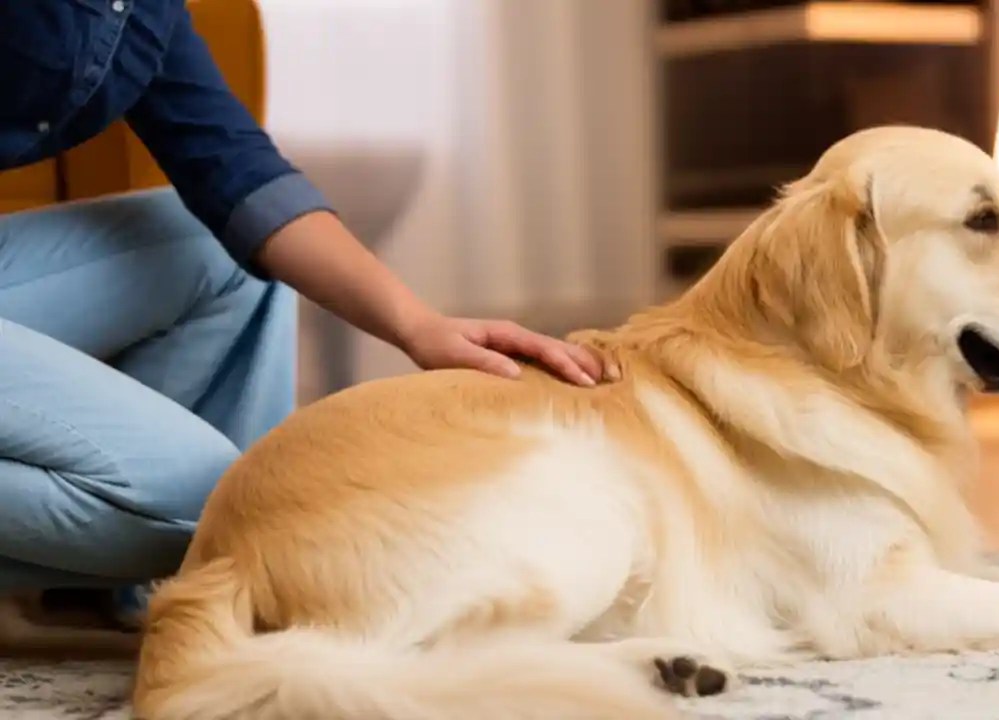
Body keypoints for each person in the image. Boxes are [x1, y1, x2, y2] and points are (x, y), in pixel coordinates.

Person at [0, 0, 604, 623]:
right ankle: (228, 554)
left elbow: (238, 171)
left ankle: (162, 591)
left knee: (228, 254)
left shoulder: (147, 16)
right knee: (211, 503)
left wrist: (420, 327)